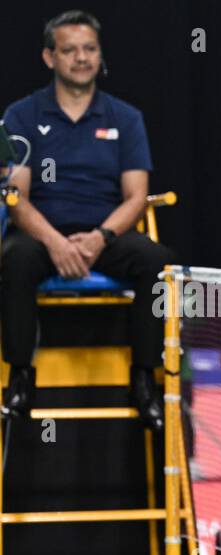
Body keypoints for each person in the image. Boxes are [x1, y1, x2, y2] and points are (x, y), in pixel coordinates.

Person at [1, 10, 172, 429]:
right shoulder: (21, 115)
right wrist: (57, 243)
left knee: (157, 261)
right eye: (70, 50)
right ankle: (21, 377)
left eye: (89, 49)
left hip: (105, 234)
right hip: (42, 234)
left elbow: (136, 197)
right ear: (49, 57)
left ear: (99, 55)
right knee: (15, 258)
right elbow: (15, 196)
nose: (81, 58)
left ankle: (144, 379)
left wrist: (99, 237)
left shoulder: (125, 118)